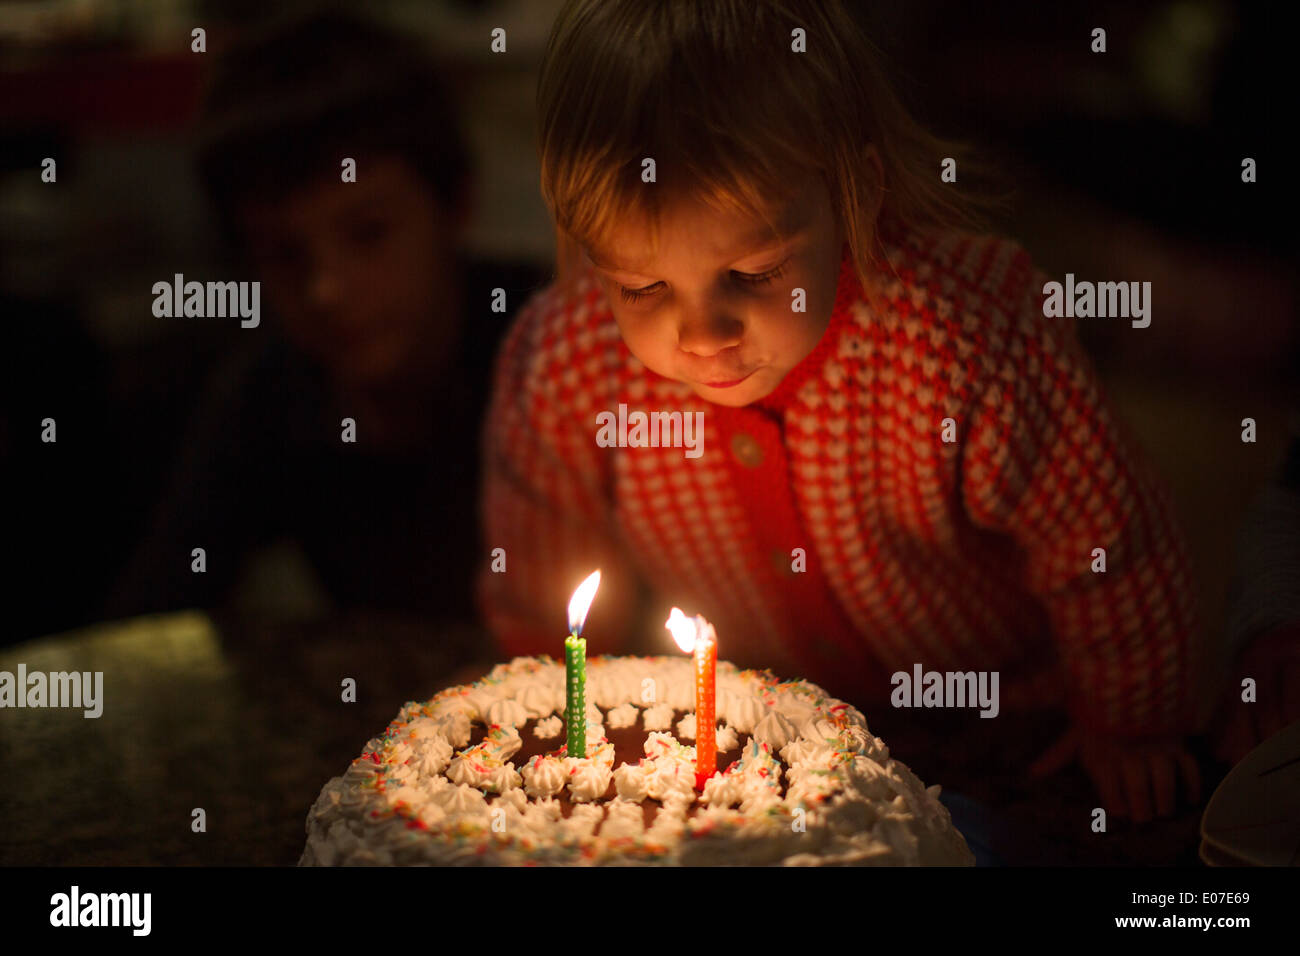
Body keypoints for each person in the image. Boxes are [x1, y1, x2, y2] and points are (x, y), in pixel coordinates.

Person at [479, 0, 1217, 823]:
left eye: (754, 272)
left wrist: (1132, 725)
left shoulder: (967, 339)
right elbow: (542, 552)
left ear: (855, 193)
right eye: (641, 288)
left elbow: (1106, 544)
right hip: (763, 749)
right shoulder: (569, 359)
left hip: (1005, 728)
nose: (702, 335)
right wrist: (557, 704)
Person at [104, 8, 545, 627]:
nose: (327, 290)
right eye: (286, 255)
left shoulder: (554, 358)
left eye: (368, 234)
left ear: (457, 205)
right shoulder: (269, 393)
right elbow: (151, 617)